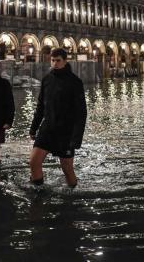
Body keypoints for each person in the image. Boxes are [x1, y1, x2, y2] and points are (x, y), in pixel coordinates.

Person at [28, 48, 87, 188]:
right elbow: (40, 106)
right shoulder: (47, 79)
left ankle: (72, 192)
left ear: (65, 61)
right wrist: (33, 128)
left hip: (66, 131)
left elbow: (81, 113)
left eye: (58, 60)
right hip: (47, 128)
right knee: (34, 162)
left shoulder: (75, 82)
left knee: (67, 168)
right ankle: (38, 191)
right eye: (52, 60)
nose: (55, 63)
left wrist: (76, 139)